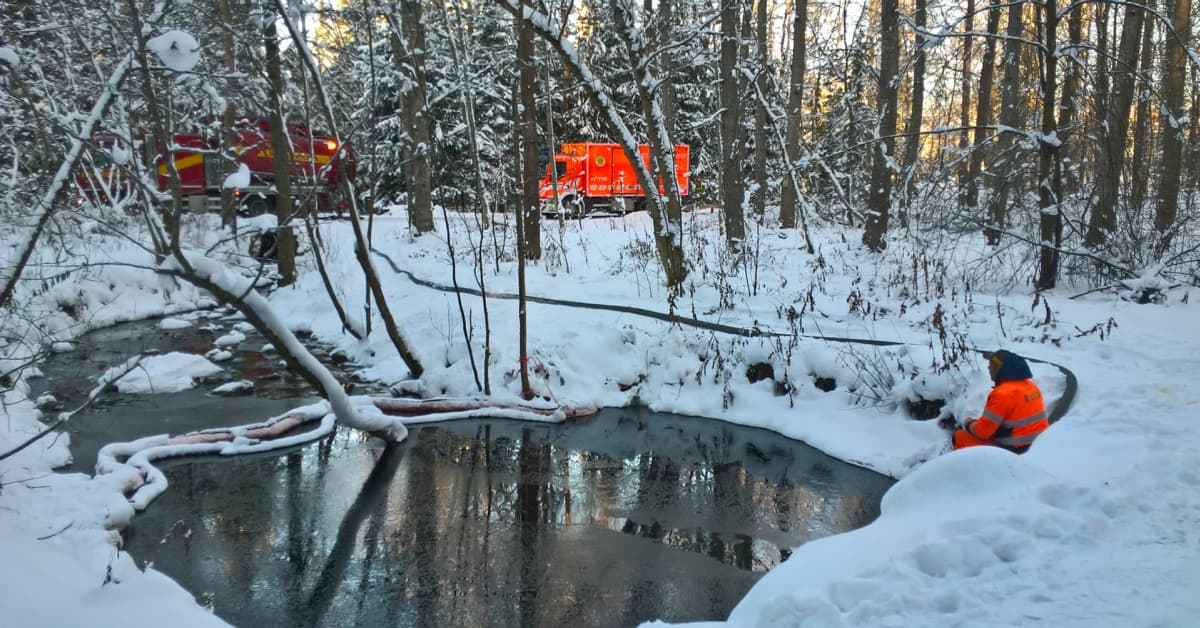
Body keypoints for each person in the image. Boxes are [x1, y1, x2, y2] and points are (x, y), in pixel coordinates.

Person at [954, 350, 1048, 452]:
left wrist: (969, 424)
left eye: (991, 365)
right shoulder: (1031, 386)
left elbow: (983, 432)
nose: (988, 368)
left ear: (999, 369)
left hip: (1014, 451)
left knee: (959, 437)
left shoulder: (1002, 394)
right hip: (1039, 443)